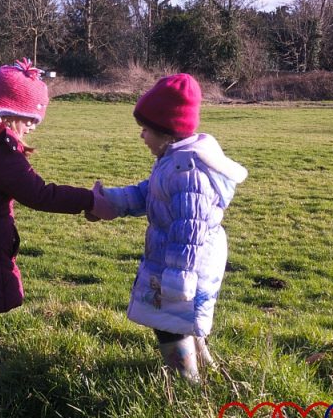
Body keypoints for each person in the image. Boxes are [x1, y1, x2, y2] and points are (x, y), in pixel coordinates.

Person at [0, 58, 114, 401]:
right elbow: (38, 193)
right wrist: (88, 200)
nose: (31, 129)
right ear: (12, 114)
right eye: (30, 121)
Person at [91, 73, 248, 381]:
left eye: (145, 130)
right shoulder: (173, 159)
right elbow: (148, 193)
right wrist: (111, 201)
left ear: (167, 132)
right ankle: (205, 370)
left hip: (185, 266)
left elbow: (190, 231)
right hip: (174, 263)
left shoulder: (188, 171)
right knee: (179, 321)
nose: (142, 137)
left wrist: (177, 282)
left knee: (169, 323)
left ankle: (186, 383)